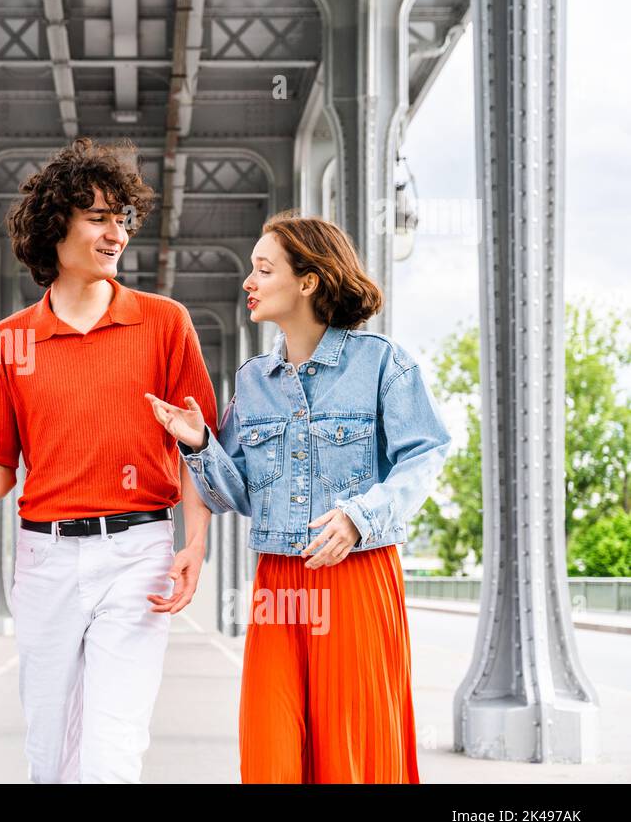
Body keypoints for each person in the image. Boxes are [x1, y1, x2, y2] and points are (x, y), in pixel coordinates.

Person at [0, 138, 219, 783]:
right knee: (49, 752)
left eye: (123, 219)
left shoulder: (166, 324)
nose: (116, 233)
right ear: (58, 225)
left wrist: (195, 542)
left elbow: (201, 448)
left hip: (139, 551)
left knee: (112, 747)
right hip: (44, 560)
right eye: (99, 217)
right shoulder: (6, 343)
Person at [145, 210, 451, 783]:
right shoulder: (254, 381)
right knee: (271, 750)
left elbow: (426, 453)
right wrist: (198, 444)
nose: (249, 282)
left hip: (356, 574)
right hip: (277, 584)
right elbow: (233, 492)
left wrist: (361, 518)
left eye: (264, 269)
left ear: (307, 281)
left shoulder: (381, 362)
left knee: (351, 753)